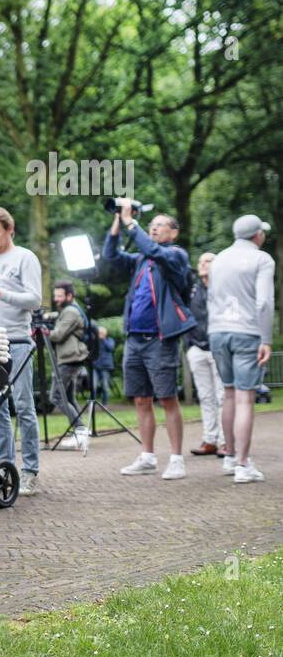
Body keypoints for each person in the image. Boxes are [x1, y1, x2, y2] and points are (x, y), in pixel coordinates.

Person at [102, 202, 196, 479]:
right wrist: (118, 222)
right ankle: (148, 456)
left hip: (160, 339)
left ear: (174, 233)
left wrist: (132, 223)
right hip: (135, 339)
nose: (153, 227)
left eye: (160, 224)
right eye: (151, 224)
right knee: (142, 400)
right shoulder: (142, 259)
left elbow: (154, 249)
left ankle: (177, 459)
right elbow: (111, 256)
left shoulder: (176, 255)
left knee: (167, 398)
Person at [0, 207, 43, 495]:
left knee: (24, 406)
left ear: (9, 230)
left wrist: (0, 293)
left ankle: (30, 471)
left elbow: (35, 299)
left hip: (17, 340)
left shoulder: (25, 257)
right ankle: (5, 468)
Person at [208, 214, 275, 483]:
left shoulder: (219, 259)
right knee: (246, 398)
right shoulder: (262, 259)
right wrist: (266, 339)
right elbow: (264, 302)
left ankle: (229, 457)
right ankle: (243, 465)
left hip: (217, 331)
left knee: (229, 394)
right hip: (246, 331)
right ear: (257, 235)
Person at [186, 252, 226, 457]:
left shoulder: (224, 287)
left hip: (218, 348)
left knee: (223, 396)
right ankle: (210, 439)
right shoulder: (192, 289)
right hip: (196, 348)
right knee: (205, 396)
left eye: (207, 261)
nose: (202, 264)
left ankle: (225, 441)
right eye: (200, 261)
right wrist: (188, 345)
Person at [48, 280, 92, 453]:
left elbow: (58, 335)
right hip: (69, 357)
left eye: (59, 296)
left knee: (56, 396)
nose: (56, 299)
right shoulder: (67, 310)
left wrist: (43, 331)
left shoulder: (71, 311)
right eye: (55, 295)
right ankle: (81, 432)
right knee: (69, 397)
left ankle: (80, 430)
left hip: (70, 358)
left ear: (69, 296)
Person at [93, 325, 116, 405]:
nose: (100, 334)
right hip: (95, 367)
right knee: (94, 386)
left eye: (101, 333)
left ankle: (104, 403)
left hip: (105, 367)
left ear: (105, 333)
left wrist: (103, 340)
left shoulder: (110, 340)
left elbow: (110, 348)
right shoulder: (95, 341)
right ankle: (93, 403)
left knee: (105, 386)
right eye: (99, 333)